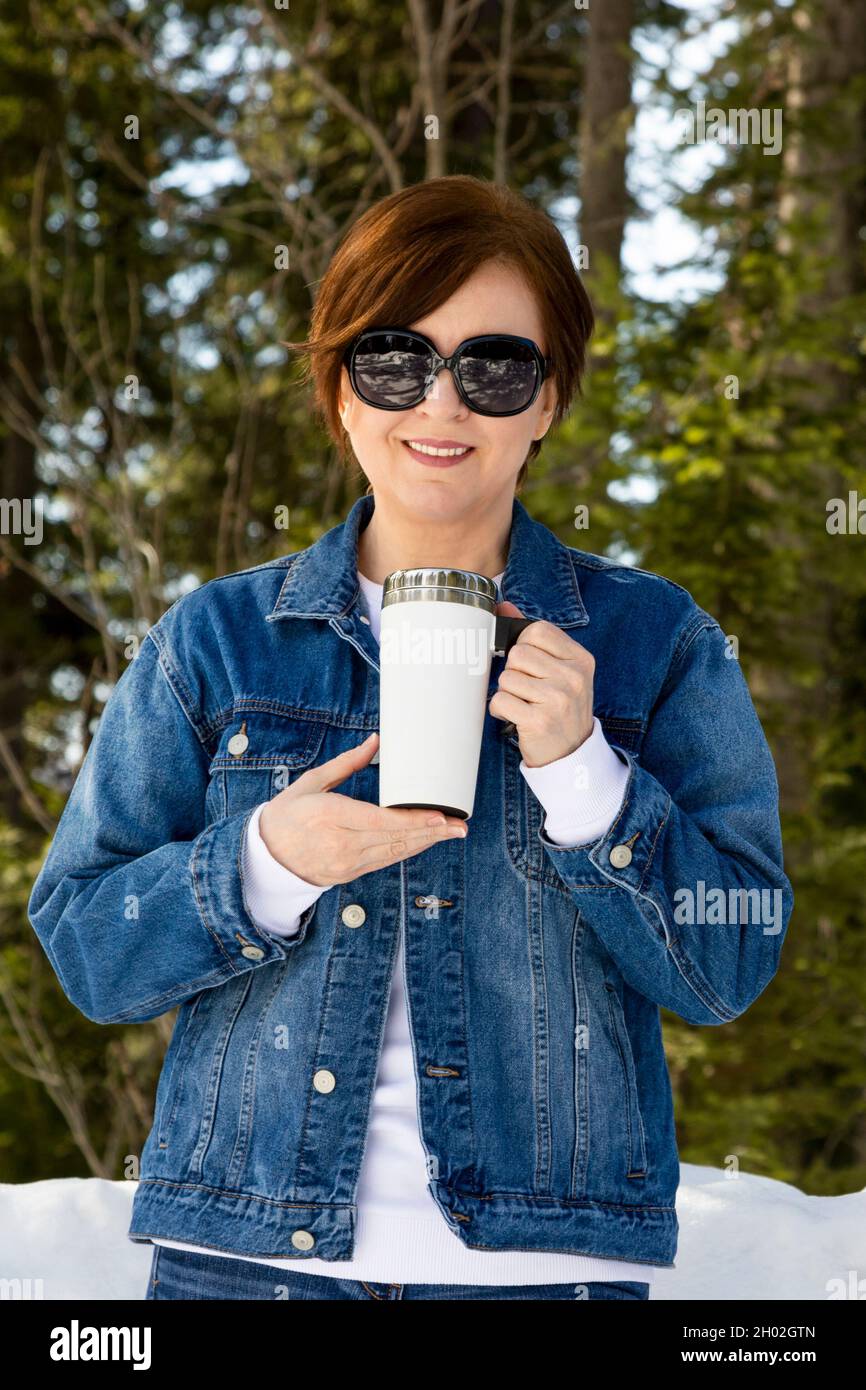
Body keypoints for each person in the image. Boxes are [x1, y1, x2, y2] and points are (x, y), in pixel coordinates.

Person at [28, 175, 793, 1302]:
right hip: (243, 1268)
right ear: (340, 390)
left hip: (544, 1278)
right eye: (395, 360)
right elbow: (87, 946)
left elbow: (727, 963)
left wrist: (587, 779)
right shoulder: (219, 642)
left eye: (492, 368)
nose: (440, 407)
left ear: (545, 402)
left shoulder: (653, 643)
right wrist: (260, 865)